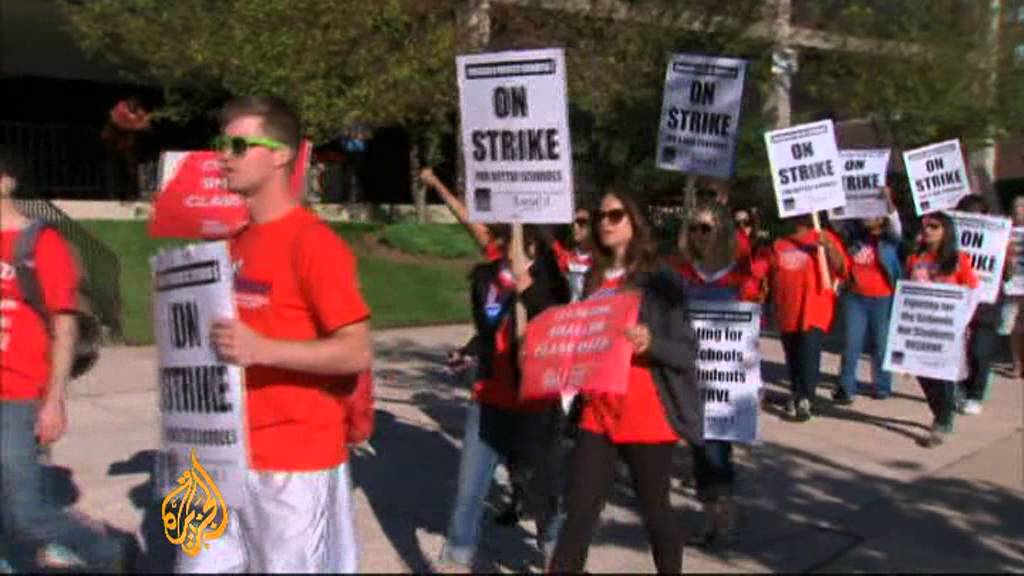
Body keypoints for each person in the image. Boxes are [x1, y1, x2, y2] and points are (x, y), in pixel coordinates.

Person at [189, 96, 373, 572]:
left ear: (280, 155)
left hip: (294, 460)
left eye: (237, 144)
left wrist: (261, 349)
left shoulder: (315, 244)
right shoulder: (230, 243)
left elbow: (355, 351)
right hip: (218, 453)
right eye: (219, 144)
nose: (222, 156)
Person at [549, 191, 700, 573]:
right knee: (579, 512)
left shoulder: (661, 280)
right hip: (597, 413)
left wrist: (652, 342)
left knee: (656, 513)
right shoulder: (593, 280)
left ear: (634, 222)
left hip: (645, 413)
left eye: (615, 215)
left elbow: (685, 351)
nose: (605, 222)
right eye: (600, 215)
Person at [0, 145, 132, 573]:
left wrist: (54, 398)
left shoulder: (40, 242)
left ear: (7, 182)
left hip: (17, 395)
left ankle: (103, 552)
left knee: (28, 514)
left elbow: (64, 325)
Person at [439, 225, 570, 569]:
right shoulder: (487, 279)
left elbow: (550, 321)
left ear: (533, 246)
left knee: (543, 491)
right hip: (489, 401)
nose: (507, 247)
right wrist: (468, 352)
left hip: (536, 406)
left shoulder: (552, 284)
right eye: (505, 239)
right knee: (469, 492)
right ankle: (456, 557)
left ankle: (556, 555)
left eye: (517, 242)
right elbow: (487, 331)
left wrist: (525, 289)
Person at [674, 202, 763, 547]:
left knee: (714, 446)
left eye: (706, 228)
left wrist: (756, 382)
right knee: (699, 446)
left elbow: (751, 334)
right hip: (689, 373)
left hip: (725, 378)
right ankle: (714, 507)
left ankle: (718, 513)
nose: (699, 235)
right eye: (694, 227)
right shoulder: (680, 275)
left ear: (723, 231)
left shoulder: (741, 278)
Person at [905, 211, 979, 447]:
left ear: (946, 231)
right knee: (922, 372)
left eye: (934, 226)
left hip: (948, 328)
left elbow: (973, 290)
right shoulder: (915, 258)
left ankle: (942, 421)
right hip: (920, 327)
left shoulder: (958, 259)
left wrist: (962, 320)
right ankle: (943, 406)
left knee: (943, 374)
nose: (927, 230)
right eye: (925, 226)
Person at [767, 214, 849, 421]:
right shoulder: (780, 244)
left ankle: (806, 398)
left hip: (814, 308)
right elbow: (770, 276)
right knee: (793, 357)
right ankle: (796, 394)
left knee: (809, 353)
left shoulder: (823, 236)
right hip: (786, 310)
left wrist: (828, 246)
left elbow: (841, 268)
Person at [834, 187, 903, 403]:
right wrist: (831, 195)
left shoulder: (889, 239)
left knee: (881, 346)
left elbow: (896, 223)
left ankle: (882, 386)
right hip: (855, 298)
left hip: (882, 299)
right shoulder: (854, 237)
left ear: (881, 218)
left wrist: (888, 199)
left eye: (872, 212)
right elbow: (836, 220)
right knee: (851, 344)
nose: (866, 216)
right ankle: (846, 387)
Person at [954, 194, 1011, 415]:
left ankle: (976, 394)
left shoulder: (998, 240)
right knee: (961, 352)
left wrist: (1004, 255)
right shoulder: (950, 238)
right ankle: (961, 389)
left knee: (980, 351)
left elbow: (1007, 274)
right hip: (960, 301)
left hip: (987, 303)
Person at [1002, 195, 1024, 378]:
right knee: (1013, 328)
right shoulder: (1004, 232)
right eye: (1016, 206)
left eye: (1022, 206)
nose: (1019, 210)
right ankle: (1017, 365)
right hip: (1013, 286)